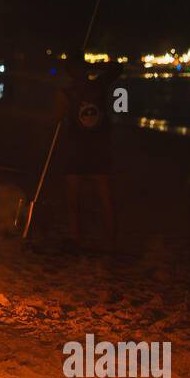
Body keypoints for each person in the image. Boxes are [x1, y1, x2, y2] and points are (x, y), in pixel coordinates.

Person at [57, 51, 123, 250]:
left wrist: (91, 68)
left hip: (92, 148)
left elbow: (118, 68)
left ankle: (106, 240)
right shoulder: (71, 91)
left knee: (100, 195)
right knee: (78, 196)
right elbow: (57, 117)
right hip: (80, 148)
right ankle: (79, 237)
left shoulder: (96, 86)